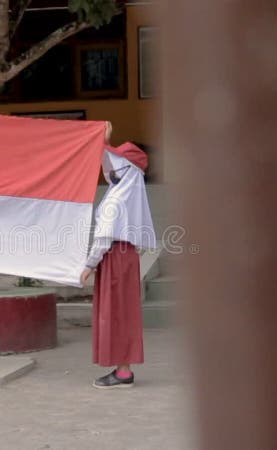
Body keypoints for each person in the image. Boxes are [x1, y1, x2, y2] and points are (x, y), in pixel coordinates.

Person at [81, 127, 157, 389]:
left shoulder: (117, 199)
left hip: (114, 258)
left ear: (125, 169)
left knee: (116, 313)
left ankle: (123, 371)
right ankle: (123, 369)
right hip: (126, 258)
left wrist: (89, 265)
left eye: (114, 165)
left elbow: (103, 237)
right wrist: (104, 142)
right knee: (124, 313)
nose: (108, 170)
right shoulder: (129, 194)